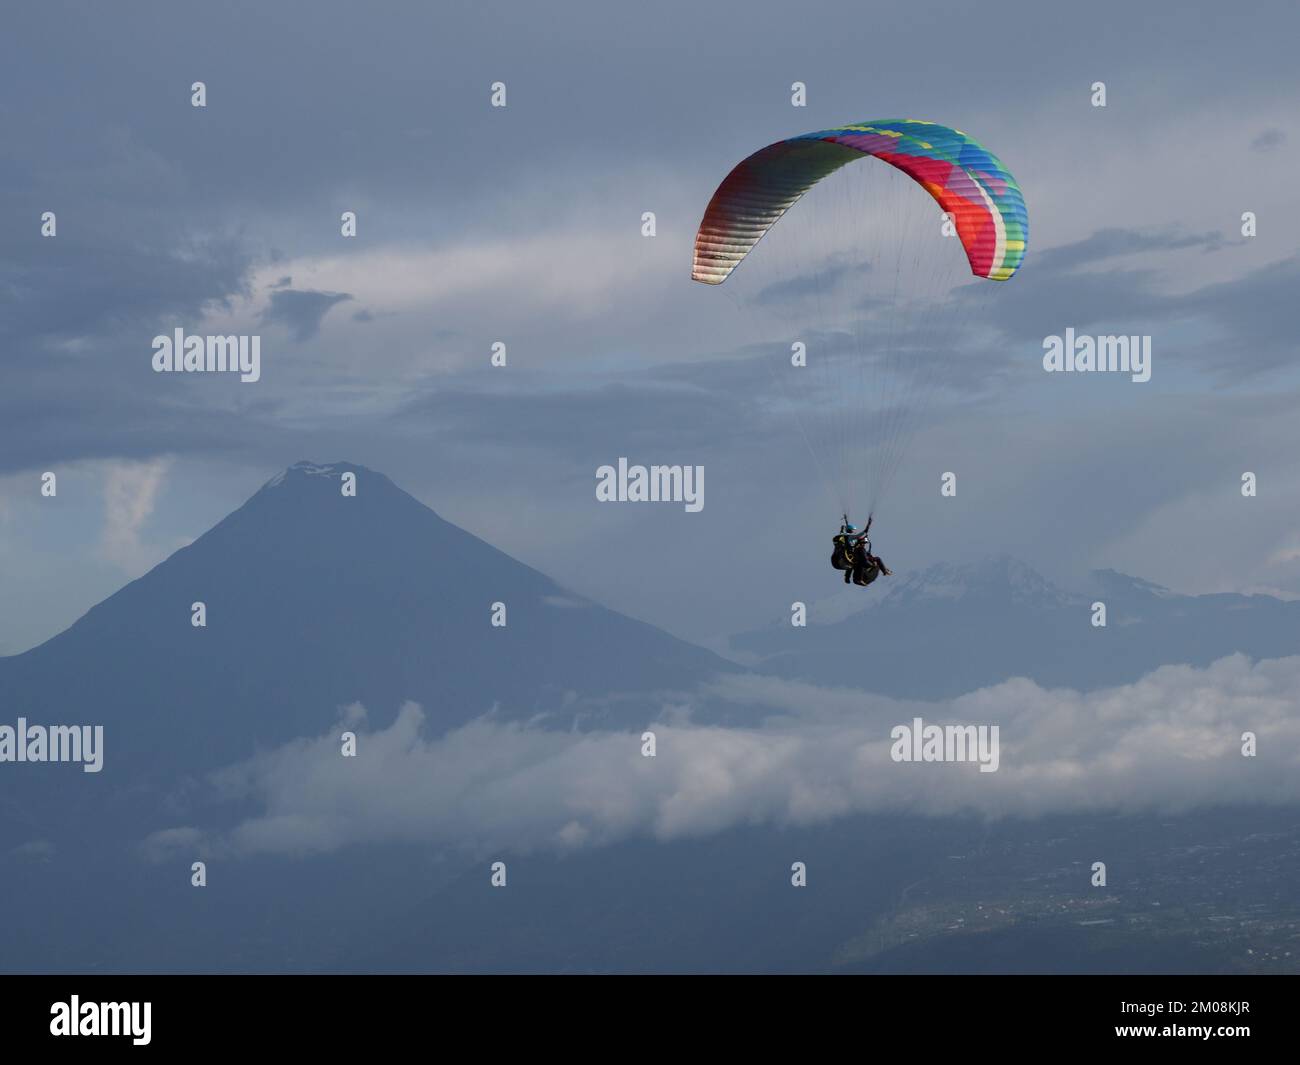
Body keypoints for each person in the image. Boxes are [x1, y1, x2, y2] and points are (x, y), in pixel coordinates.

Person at [831, 514, 892, 586]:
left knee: (854, 564)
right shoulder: (851, 537)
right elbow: (864, 532)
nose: (855, 532)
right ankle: (884, 571)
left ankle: (847, 578)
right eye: (854, 530)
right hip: (848, 558)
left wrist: (845, 524)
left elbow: (843, 533)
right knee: (866, 561)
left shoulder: (843, 537)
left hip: (839, 561)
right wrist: (869, 524)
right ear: (852, 531)